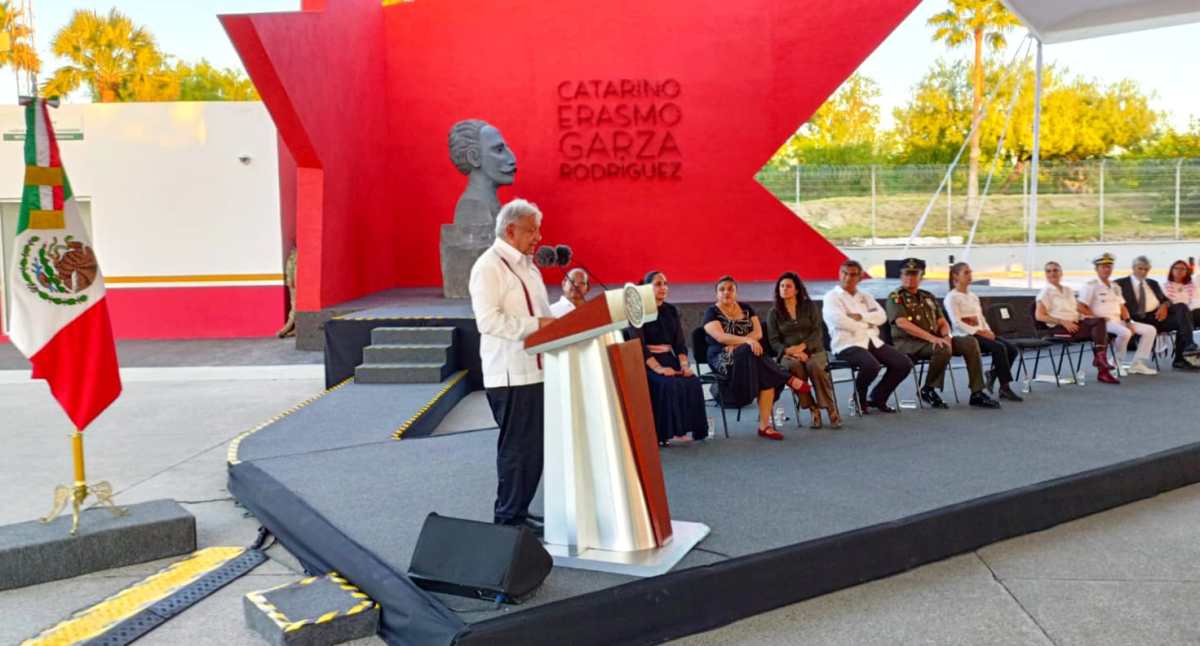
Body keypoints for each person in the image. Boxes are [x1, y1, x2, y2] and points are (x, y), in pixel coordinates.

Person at [468, 198, 554, 533]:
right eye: (532, 230)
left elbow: (543, 316)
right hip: (510, 373)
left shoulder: (528, 266)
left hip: (537, 370)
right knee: (517, 449)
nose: (539, 237)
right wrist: (537, 326)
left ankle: (520, 510)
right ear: (511, 230)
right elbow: (488, 321)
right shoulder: (489, 266)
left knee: (532, 449)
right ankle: (507, 518)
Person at [702, 275, 808, 440]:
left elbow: (758, 333)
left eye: (730, 289)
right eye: (722, 289)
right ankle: (786, 378)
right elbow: (721, 337)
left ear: (736, 292)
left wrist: (743, 343)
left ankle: (764, 427)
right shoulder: (711, 312)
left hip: (749, 355)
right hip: (722, 357)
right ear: (716, 294)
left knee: (765, 376)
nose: (726, 292)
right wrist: (746, 341)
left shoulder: (746, 308)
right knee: (752, 353)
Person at [886, 258, 999, 409]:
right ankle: (928, 389)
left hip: (932, 340)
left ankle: (977, 392)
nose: (910, 278)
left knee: (970, 342)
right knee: (942, 347)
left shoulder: (928, 297)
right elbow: (902, 323)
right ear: (901, 276)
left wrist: (946, 336)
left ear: (921, 277)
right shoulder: (896, 297)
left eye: (914, 274)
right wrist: (933, 338)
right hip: (909, 343)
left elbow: (941, 322)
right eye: (906, 274)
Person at [822, 259, 912, 414]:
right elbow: (839, 321)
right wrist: (868, 324)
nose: (848, 278)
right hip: (847, 343)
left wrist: (861, 316)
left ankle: (878, 398)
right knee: (871, 366)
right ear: (839, 274)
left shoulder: (866, 296)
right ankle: (859, 399)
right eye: (844, 273)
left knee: (903, 364)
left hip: (872, 340)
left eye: (852, 275)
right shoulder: (832, 297)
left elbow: (881, 316)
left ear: (860, 277)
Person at [634, 271, 708, 446]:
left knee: (692, 382)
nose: (663, 288)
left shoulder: (671, 310)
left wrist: (684, 365)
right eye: (658, 284)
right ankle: (666, 433)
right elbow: (639, 346)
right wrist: (658, 369)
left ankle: (686, 429)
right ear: (646, 288)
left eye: (665, 284)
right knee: (667, 384)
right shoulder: (638, 311)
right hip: (647, 362)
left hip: (669, 358)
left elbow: (680, 343)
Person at [767, 271, 842, 429]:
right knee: (794, 368)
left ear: (796, 290)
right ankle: (812, 408)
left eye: (788, 286)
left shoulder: (809, 306)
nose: (784, 289)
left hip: (813, 349)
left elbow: (817, 331)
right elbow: (774, 341)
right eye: (781, 286)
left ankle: (829, 408)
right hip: (789, 354)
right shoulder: (773, 313)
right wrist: (790, 351)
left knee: (813, 366)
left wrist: (803, 347)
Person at [944, 262, 1023, 401]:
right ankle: (1005, 388)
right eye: (966, 273)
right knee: (999, 348)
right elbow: (957, 322)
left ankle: (993, 374)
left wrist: (988, 331)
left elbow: (981, 318)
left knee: (1012, 349)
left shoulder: (973, 296)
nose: (970, 275)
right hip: (965, 336)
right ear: (956, 276)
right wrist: (979, 332)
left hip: (981, 332)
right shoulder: (952, 297)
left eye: (970, 272)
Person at [1035, 260, 1119, 384]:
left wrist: (1087, 317)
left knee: (1099, 322)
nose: (1052, 273)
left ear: (1061, 273)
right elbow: (1039, 316)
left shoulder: (1068, 290)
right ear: (1045, 274)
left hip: (1076, 323)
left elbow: (1075, 310)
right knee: (1099, 333)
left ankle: (1100, 360)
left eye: (1055, 270)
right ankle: (1102, 370)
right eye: (1049, 271)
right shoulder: (1045, 292)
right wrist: (1062, 321)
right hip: (1060, 328)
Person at [1114, 255, 1199, 370]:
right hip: (1136, 319)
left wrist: (1164, 305)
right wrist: (1127, 320)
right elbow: (1115, 304)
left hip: (1156, 316)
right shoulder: (1120, 283)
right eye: (1140, 268)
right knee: (1184, 318)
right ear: (1133, 268)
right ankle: (1186, 351)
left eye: (1146, 269)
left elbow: (1166, 300)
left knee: (1182, 310)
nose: (1143, 272)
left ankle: (1184, 353)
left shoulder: (1152, 283)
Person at [1078, 252, 1157, 376]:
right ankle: (1115, 362)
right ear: (1096, 269)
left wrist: (1129, 321)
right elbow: (1080, 306)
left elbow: (1122, 307)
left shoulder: (1115, 286)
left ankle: (1138, 364)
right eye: (1103, 266)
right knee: (1125, 332)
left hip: (1117, 321)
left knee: (1150, 330)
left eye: (1109, 266)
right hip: (1102, 322)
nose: (1106, 269)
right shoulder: (1090, 286)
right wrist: (1097, 318)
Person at [1163, 259, 1200, 330]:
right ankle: (1184, 341)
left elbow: (1196, 301)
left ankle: (1183, 341)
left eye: (1182, 269)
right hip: (1172, 315)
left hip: (1191, 314)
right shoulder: (1163, 286)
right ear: (1171, 270)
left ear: (1187, 271)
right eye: (1176, 268)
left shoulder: (1192, 286)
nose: (1179, 271)